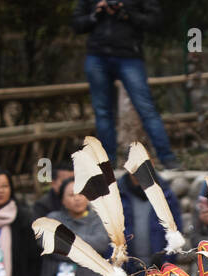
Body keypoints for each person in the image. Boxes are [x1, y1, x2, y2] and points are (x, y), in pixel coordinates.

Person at [71, 0, 177, 168]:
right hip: (97, 56)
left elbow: (155, 22)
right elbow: (77, 24)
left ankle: (167, 158)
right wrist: (95, 15)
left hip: (129, 57)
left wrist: (127, 13)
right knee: (103, 113)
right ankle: (107, 164)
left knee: (146, 109)